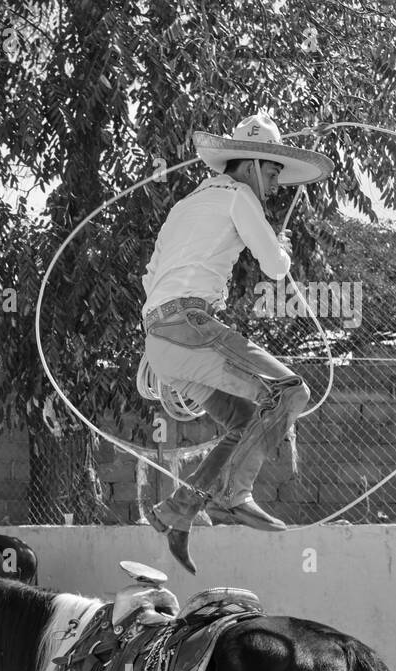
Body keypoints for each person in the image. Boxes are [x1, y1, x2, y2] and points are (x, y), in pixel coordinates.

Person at [141, 114, 333, 574]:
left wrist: (155, 355)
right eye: (271, 172)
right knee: (289, 391)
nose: (273, 183)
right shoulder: (239, 195)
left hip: (162, 338)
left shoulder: (186, 205)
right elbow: (272, 266)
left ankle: (181, 507)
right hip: (189, 324)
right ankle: (234, 495)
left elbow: (152, 278)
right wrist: (280, 247)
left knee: (243, 419)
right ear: (250, 163)